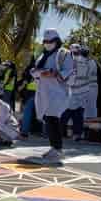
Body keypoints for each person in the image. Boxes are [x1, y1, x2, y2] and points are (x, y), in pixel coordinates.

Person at [32, 28, 73, 163]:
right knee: (48, 119)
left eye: (51, 41)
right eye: (45, 41)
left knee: (53, 118)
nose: (48, 43)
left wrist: (54, 73)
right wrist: (40, 72)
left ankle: (58, 149)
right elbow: (34, 71)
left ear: (57, 41)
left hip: (58, 92)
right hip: (44, 92)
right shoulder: (42, 56)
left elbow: (68, 71)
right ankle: (54, 147)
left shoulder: (64, 54)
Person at [61, 44, 90, 141]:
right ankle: (77, 134)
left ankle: (59, 132)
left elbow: (67, 76)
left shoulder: (71, 61)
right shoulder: (85, 61)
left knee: (65, 112)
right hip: (83, 91)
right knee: (78, 114)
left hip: (72, 91)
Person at [18, 56, 40, 138]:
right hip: (42, 92)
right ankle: (39, 131)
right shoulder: (44, 66)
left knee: (27, 112)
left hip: (30, 92)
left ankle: (24, 131)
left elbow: (25, 80)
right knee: (41, 112)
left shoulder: (30, 68)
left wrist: (21, 90)